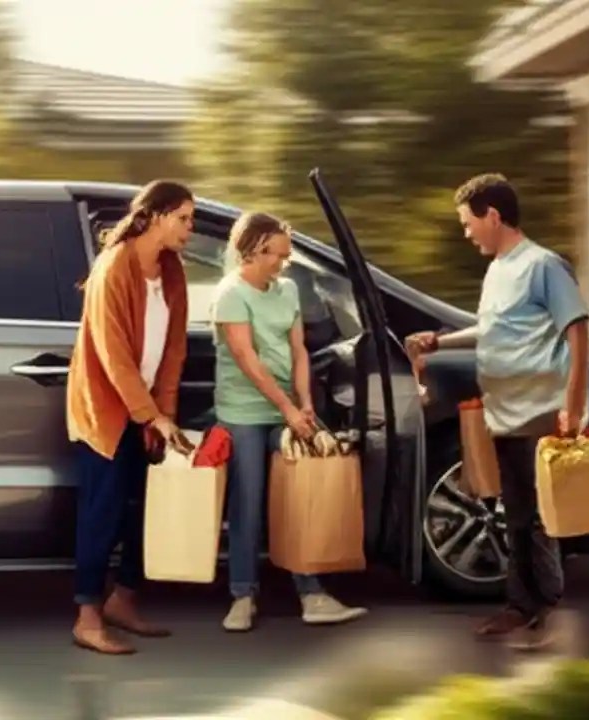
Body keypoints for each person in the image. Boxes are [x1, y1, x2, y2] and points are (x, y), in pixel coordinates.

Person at [407, 173, 589, 651]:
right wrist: (440, 340)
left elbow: (578, 333)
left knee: (542, 518)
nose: (466, 233)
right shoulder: (498, 270)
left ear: (492, 215)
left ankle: (545, 613)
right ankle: (519, 606)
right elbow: (492, 330)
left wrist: (571, 408)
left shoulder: (543, 266)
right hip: (506, 414)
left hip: (543, 412)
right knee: (517, 514)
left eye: (469, 223)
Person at [211, 211, 369, 632]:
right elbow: (247, 361)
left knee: (301, 494)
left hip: (287, 406)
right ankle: (242, 596)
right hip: (244, 410)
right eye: (278, 255)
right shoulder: (230, 294)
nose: (284, 262)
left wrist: (305, 403)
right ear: (254, 250)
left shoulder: (286, 291)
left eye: (286, 254)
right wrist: (287, 409)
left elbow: (298, 351)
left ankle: (312, 592)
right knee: (249, 501)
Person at [65, 179, 196, 655]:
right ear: (156, 216)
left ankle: (124, 601)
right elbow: (113, 354)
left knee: (145, 511)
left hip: (146, 414)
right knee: (102, 513)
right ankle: (87, 618)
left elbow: (175, 349)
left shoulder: (172, 271)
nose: (189, 228)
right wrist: (149, 415)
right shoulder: (114, 267)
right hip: (106, 410)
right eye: (183, 218)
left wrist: (164, 415)